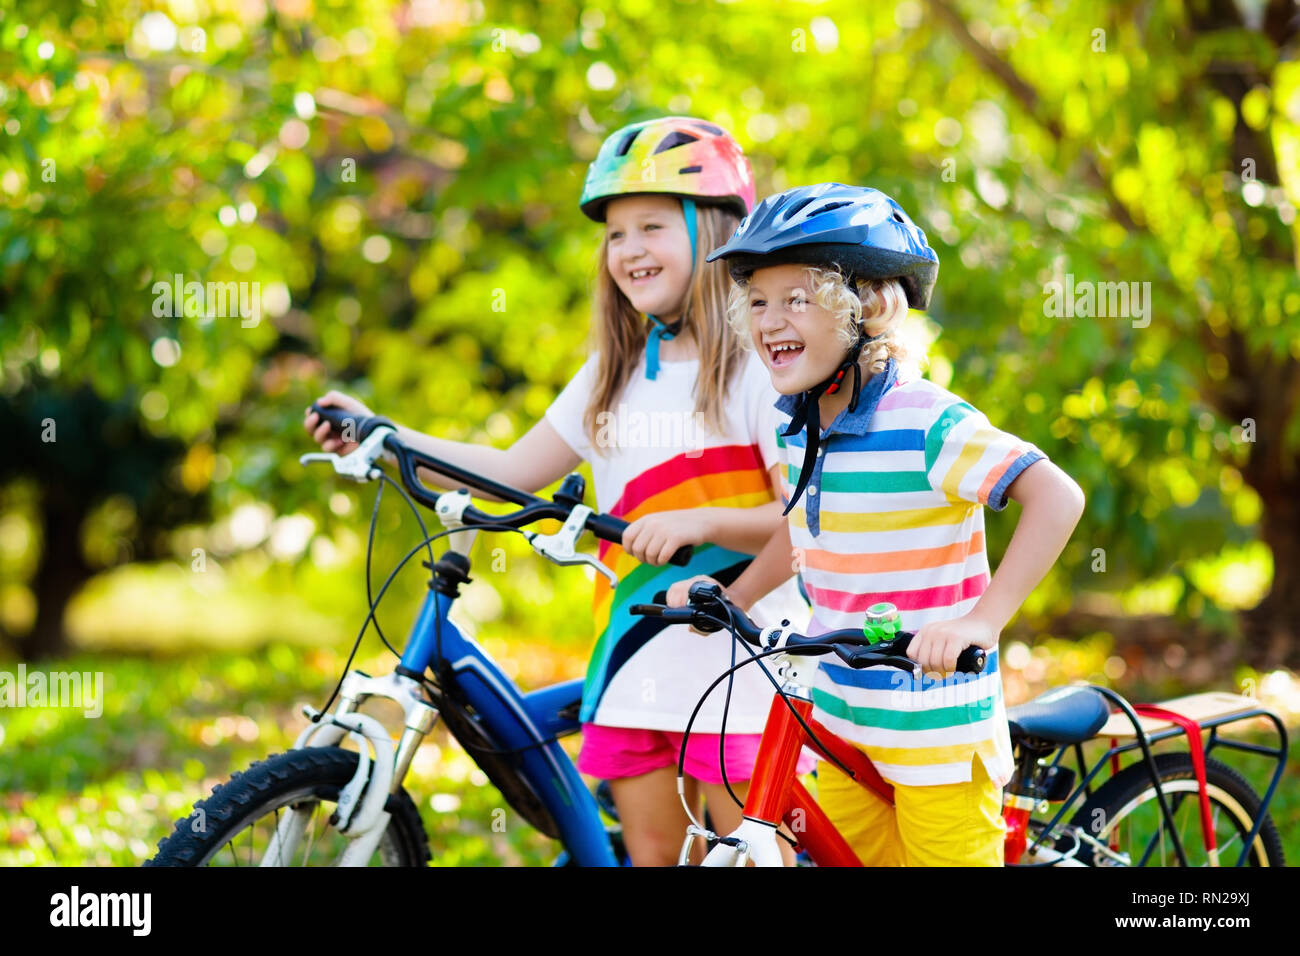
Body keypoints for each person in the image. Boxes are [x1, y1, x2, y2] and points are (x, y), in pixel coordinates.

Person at [305, 117, 810, 866]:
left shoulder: (758, 370)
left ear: (717, 232)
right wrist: (387, 436)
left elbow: (805, 522)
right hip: (635, 662)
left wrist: (698, 521)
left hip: (743, 664)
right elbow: (508, 474)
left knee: (743, 857)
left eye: (652, 226)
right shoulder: (616, 371)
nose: (629, 249)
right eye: (614, 234)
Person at [668, 182, 1086, 866]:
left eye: (797, 299)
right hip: (843, 722)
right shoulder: (793, 423)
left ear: (864, 308)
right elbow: (805, 528)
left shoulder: (927, 421)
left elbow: (1057, 497)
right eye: (760, 301)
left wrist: (981, 622)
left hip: (937, 733)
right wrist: (736, 596)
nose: (771, 319)